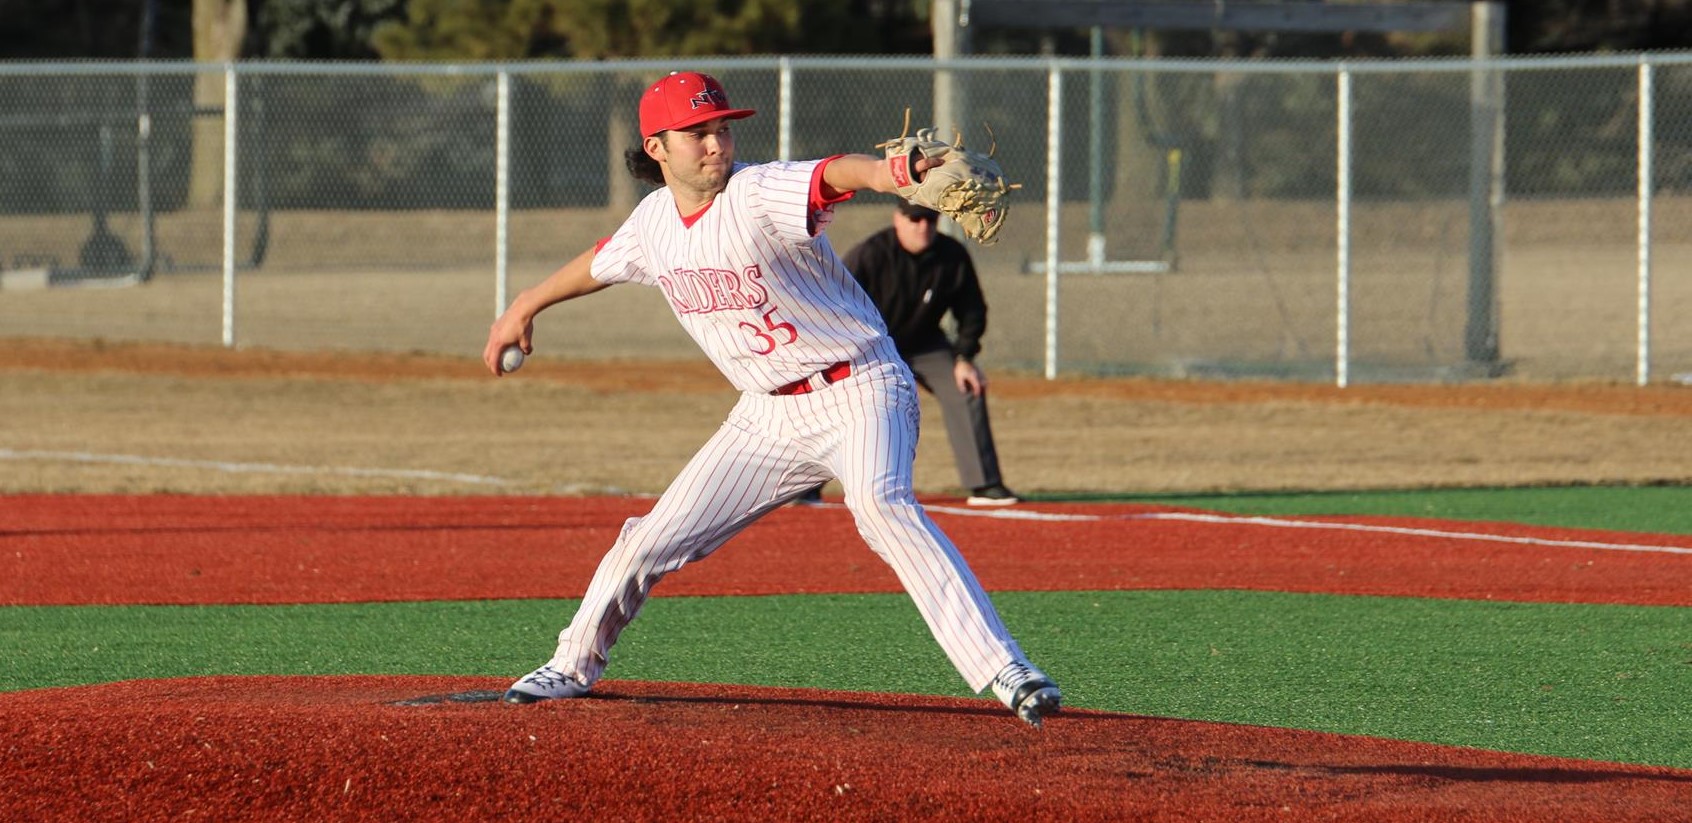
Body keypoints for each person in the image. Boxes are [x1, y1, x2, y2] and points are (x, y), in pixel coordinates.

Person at [482, 71, 1061, 727]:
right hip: (767, 414)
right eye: (697, 132)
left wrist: (893, 170)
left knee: (880, 505)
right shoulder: (653, 226)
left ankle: (1006, 669)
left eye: (723, 128)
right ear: (657, 148)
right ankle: (571, 662)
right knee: (647, 541)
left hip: (860, 385)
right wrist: (526, 304)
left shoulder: (756, 192)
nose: (716, 143)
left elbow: (834, 174)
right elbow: (600, 260)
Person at [800, 201, 1019, 507]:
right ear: (898, 219)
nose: (923, 226)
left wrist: (965, 358)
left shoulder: (951, 255)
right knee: (839, 403)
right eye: (915, 218)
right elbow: (833, 303)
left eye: (930, 219)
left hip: (925, 343)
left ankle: (984, 485)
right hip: (870, 347)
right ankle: (806, 488)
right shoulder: (871, 254)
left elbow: (972, 312)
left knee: (966, 387)